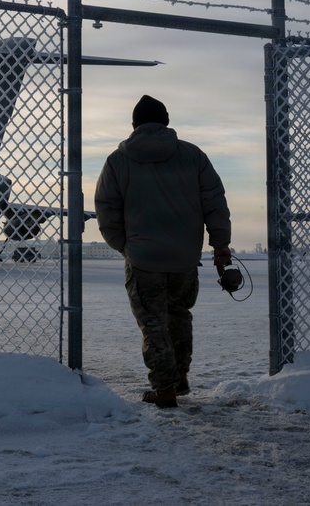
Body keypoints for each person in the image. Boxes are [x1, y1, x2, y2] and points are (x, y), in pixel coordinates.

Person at [94, 95, 232, 409]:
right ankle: (179, 380)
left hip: (143, 259)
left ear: (134, 124)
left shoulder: (118, 161)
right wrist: (220, 243)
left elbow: (106, 210)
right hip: (184, 259)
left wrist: (125, 247)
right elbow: (215, 202)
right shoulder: (193, 156)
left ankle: (164, 387)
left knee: (153, 324)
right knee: (180, 317)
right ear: (166, 121)